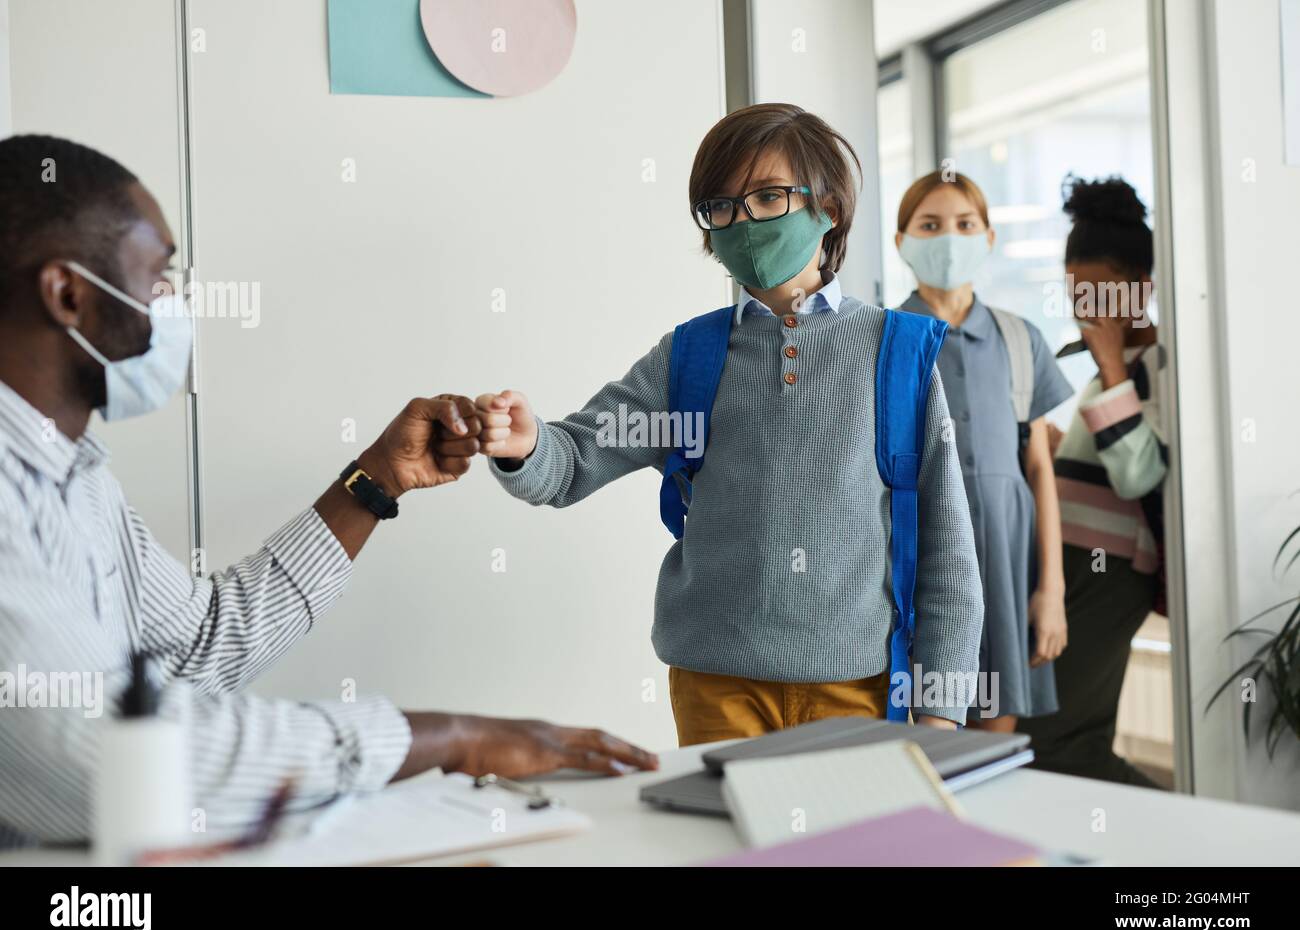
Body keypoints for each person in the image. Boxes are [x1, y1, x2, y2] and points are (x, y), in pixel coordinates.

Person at [0, 134, 657, 848]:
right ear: (68, 294)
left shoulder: (75, 477)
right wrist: (446, 738)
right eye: (160, 276)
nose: (178, 303)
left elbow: (202, 646)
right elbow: (86, 761)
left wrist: (377, 480)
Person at [469, 103, 983, 745]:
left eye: (769, 197)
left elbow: (949, 552)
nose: (744, 222)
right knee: (728, 848)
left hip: (863, 685)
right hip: (715, 683)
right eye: (722, 208)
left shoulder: (899, 353)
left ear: (827, 207)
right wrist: (525, 446)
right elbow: (572, 461)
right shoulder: (690, 357)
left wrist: (942, 714)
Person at [893, 172, 1074, 731]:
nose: (949, 237)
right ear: (902, 242)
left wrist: (1052, 590)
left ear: (988, 238)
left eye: (964, 224)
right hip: (913, 566)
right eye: (930, 225)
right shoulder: (884, 341)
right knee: (921, 738)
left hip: (1006, 565)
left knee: (995, 742)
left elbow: (1039, 466)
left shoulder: (1022, 341)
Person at [1018, 175, 1165, 788]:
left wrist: (1110, 369)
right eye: (1079, 294)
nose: (1088, 312)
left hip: (1114, 574)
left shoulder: (1156, 365)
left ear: (1142, 290)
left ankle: (1186, 836)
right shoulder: (1106, 370)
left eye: (1103, 295)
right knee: (1061, 726)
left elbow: (1140, 475)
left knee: (1060, 737)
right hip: (1067, 564)